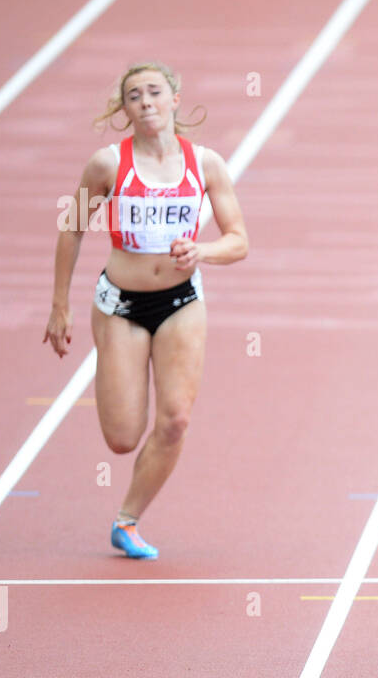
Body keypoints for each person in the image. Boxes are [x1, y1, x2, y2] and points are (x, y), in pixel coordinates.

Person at [43, 61, 248, 560]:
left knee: (175, 419)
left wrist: (202, 252)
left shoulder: (206, 164)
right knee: (122, 437)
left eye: (154, 92)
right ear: (125, 109)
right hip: (121, 305)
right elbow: (71, 227)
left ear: (175, 98)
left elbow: (238, 241)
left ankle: (127, 520)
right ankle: (120, 379)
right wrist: (59, 306)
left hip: (181, 303)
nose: (146, 102)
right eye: (134, 96)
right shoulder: (107, 165)